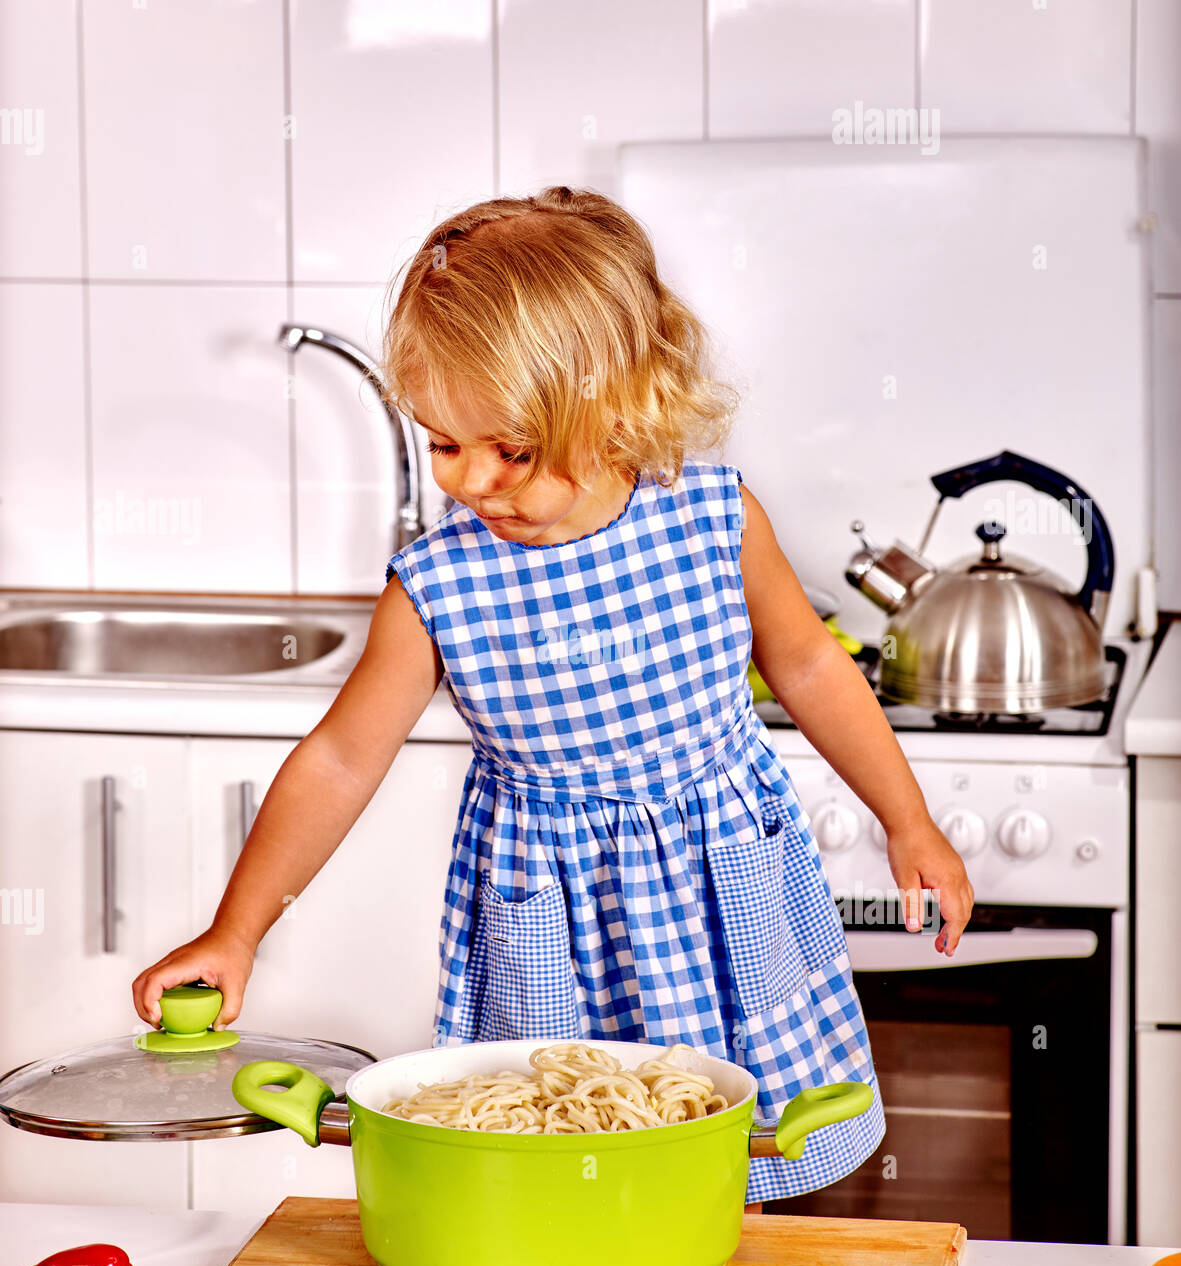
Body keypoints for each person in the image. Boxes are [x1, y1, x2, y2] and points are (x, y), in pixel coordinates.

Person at [133, 186, 973, 1206]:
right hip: (555, 928)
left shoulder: (712, 516)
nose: (475, 483)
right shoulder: (438, 586)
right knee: (569, 1173)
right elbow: (341, 759)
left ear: (615, 402)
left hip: (725, 897)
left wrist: (906, 816)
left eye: (512, 451)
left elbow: (805, 665)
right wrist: (236, 930)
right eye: (444, 444)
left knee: (764, 1164)